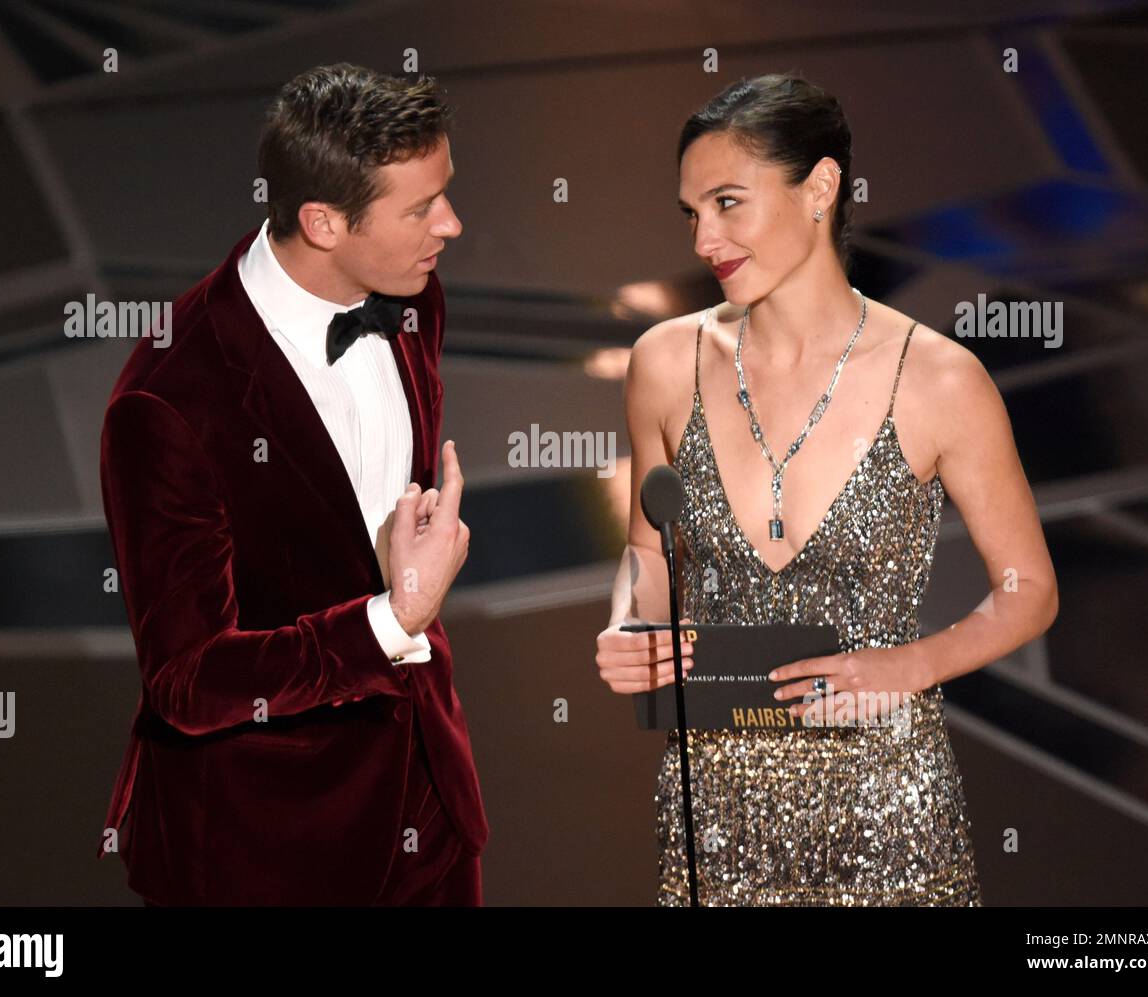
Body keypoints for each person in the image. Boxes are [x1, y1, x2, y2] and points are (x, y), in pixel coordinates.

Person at [595, 73, 1058, 906]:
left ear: (820, 188)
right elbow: (645, 547)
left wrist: (910, 664)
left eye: (729, 203)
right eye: (692, 213)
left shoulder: (940, 380)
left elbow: (1028, 591)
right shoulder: (663, 363)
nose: (705, 239)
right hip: (716, 808)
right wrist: (634, 621)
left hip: (889, 810)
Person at [95, 63, 488, 905]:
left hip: (430, 805)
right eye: (421, 208)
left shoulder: (412, 297)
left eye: (443, 194)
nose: (450, 225)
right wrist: (391, 618)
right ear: (322, 222)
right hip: (269, 848)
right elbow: (188, 682)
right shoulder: (167, 402)